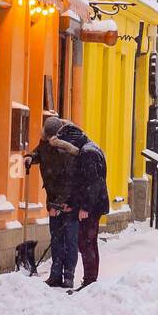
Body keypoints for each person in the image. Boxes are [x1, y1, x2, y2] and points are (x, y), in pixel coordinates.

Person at [24, 115, 80, 289]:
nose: (47, 141)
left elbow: (71, 181)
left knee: (69, 240)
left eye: (50, 138)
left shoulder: (67, 151)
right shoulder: (46, 143)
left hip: (69, 202)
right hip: (53, 197)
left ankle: (68, 276)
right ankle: (55, 275)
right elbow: (40, 152)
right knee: (56, 239)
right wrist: (31, 157)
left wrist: (60, 204)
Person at [53, 122, 109, 291]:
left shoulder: (88, 153)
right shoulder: (88, 150)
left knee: (86, 242)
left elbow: (93, 183)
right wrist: (71, 203)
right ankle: (90, 281)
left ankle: (89, 282)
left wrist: (85, 207)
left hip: (92, 207)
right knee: (88, 242)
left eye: (65, 148)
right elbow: (81, 183)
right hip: (93, 205)